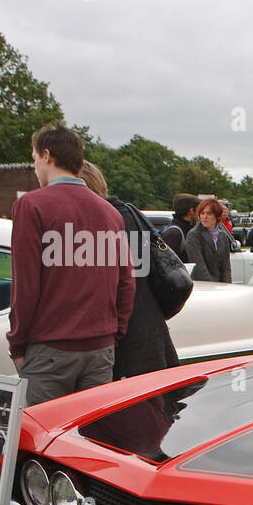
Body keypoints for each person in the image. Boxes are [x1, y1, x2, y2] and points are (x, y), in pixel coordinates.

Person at [7, 122, 134, 406]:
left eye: (34, 159)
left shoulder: (32, 205)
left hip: (51, 347)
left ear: (47, 155)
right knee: (90, 438)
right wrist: (115, 334)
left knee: (45, 440)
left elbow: (25, 285)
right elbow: (126, 282)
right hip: (101, 348)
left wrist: (17, 343)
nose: (35, 167)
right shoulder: (110, 213)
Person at [79, 162, 180, 381]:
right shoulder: (129, 213)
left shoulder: (104, 220)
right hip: (150, 331)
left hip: (126, 343)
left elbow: (121, 283)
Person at [183, 198, 234, 282]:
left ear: (217, 216)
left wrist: (227, 287)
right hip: (203, 286)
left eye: (209, 214)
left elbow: (226, 268)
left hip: (221, 287)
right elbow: (199, 268)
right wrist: (212, 287)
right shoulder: (193, 235)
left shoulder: (223, 236)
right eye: (202, 213)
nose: (204, 217)